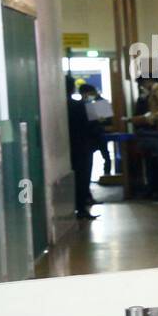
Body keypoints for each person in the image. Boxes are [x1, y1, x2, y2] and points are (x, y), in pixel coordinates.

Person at [65, 78, 97, 220]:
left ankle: (69, 208)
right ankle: (81, 208)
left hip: (65, 147)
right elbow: (94, 126)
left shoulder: (55, 106)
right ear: (73, 89)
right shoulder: (81, 106)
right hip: (82, 147)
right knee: (82, 177)